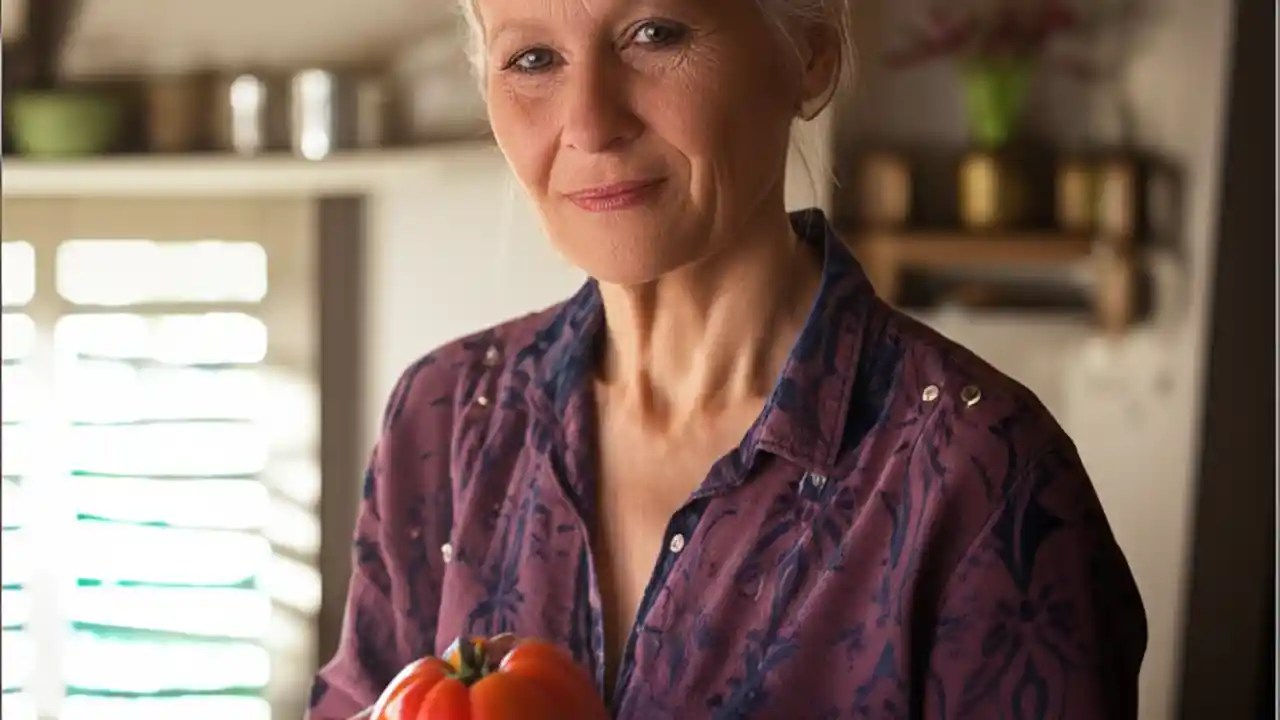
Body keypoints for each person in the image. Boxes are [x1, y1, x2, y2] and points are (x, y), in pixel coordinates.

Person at [307, 0, 1147, 717]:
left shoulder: (984, 481)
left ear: (809, 51)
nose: (591, 123)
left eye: (655, 33)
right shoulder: (446, 416)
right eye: (532, 58)